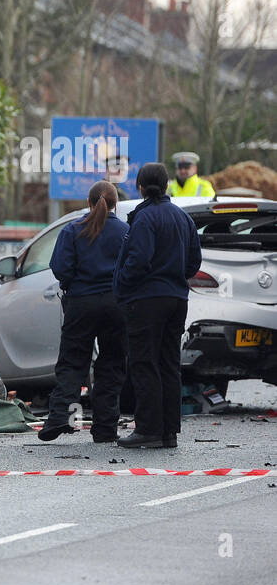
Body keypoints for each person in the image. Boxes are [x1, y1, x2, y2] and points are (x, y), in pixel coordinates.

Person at [114, 162, 203, 448]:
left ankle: (148, 429)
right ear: (166, 185)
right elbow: (194, 262)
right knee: (168, 364)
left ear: (140, 186)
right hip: (177, 298)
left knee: (144, 363)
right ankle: (168, 432)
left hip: (147, 300)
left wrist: (124, 286)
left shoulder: (145, 218)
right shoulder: (183, 218)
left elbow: (138, 261)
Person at [38, 181, 129, 443]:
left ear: (89, 203)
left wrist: (73, 285)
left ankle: (61, 419)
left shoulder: (72, 230)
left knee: (73, 362)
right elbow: (134, 265)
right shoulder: (126, 231)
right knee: (111, 364)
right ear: (116, 205)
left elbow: (60, 267)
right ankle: (105, 429)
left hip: (81, 303)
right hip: (116, 305)